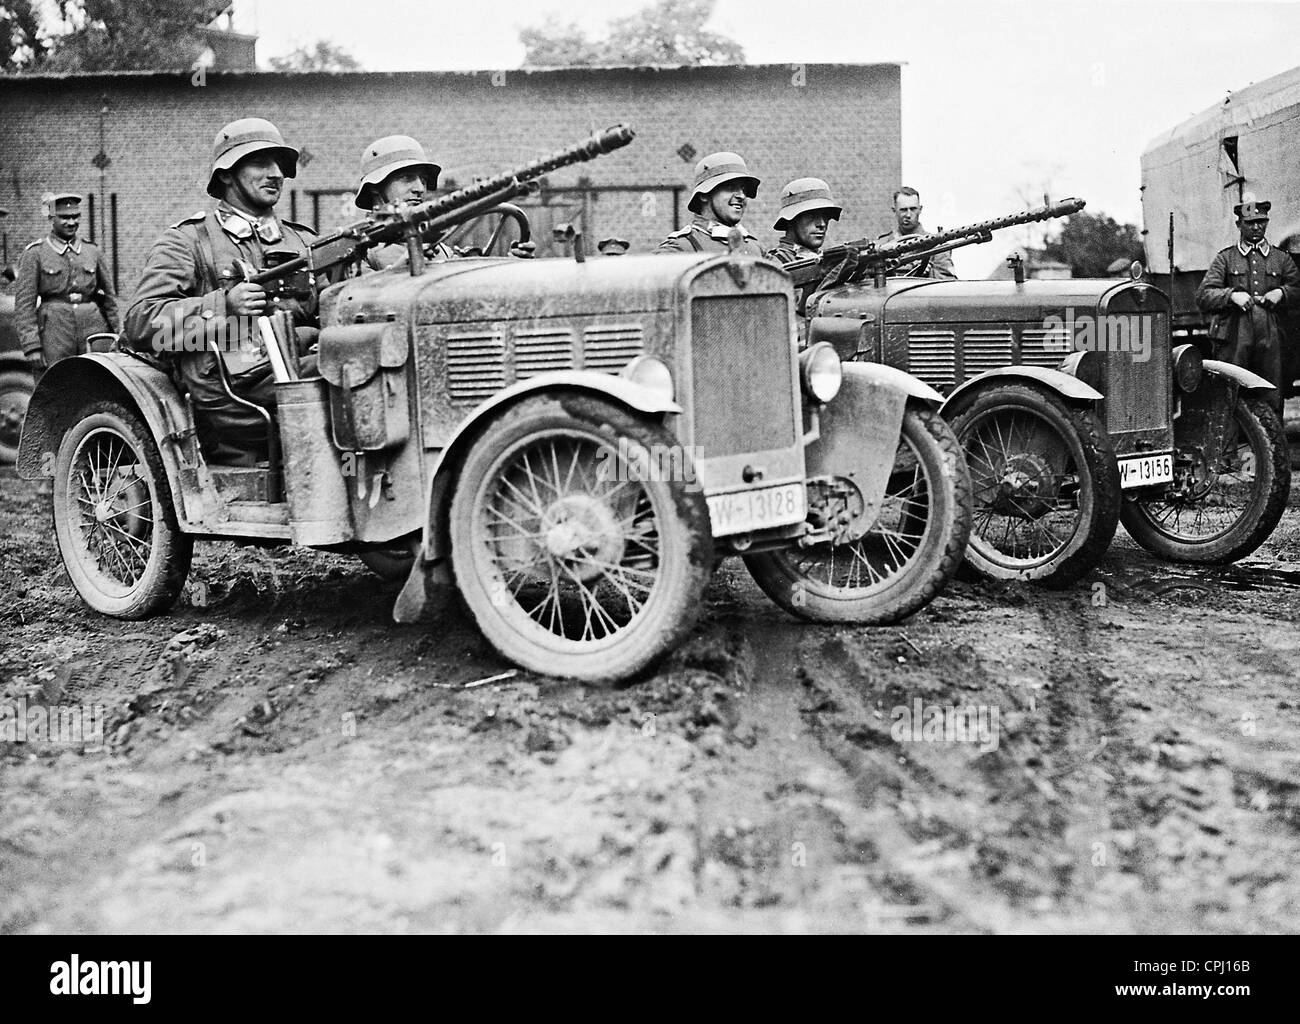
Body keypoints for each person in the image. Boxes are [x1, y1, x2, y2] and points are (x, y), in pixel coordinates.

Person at [124, 117, 317, 464]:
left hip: (292, 366)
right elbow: (141, 323)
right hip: (231, 391)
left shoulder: (304, 241)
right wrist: (223, 306)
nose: (276, 173)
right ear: (226, 174)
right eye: (260, 162)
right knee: (340, 370)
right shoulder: (189, 240)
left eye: (280, 164)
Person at [353, 135, 534, 270]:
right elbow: (354, 304)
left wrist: (513, 264)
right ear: (376, 187)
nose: (419, 188)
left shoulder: (441, 250)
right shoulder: (357, 252)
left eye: (423, 180)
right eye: (407, 178)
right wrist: (408, 263)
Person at [1195, 195, 1300, 407]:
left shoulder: (1281, 259)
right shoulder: (1225, 258)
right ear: (1239, 224)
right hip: (1235, 334)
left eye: (1261, 222)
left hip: (1271, 334)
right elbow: (1204, 295)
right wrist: (1231, 295)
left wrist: (1282, 292)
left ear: (1267, 223)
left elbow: (1298, 289)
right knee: (1231, 392)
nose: (1256, 227)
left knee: (1271, 392)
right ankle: (1232, 440)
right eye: (1250, 223)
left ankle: (1270, 439)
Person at [14, 192, 120, 381]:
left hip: (92, 329)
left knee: (96, 383)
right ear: (51, 218)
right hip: (54, 333)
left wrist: (117, 333)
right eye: (64, 217)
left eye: (75, 217)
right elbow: (24, 306)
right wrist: (32, 346)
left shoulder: (92, 251)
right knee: (55, 384)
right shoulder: (35, 253)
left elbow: (110, 298)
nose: (71, 223)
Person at [656, 152, 765, 255]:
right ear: (704, 194)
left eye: (744, 190)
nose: (741, 196)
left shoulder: (755, 248)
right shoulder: (682, 247)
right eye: (730, 187)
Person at [878, 186, 956, 280]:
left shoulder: (937, 246)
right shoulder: (882, 245)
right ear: (894, 211)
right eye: (903, 210)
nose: (908, 215)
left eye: (913, 209)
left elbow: (948, 285)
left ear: (920, 209)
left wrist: (927, 274)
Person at [767, 178, 843, 265]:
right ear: (791, 219)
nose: (822, 224)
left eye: (825, 216)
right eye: (812, 216)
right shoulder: (775, 264)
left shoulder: (824, 260)